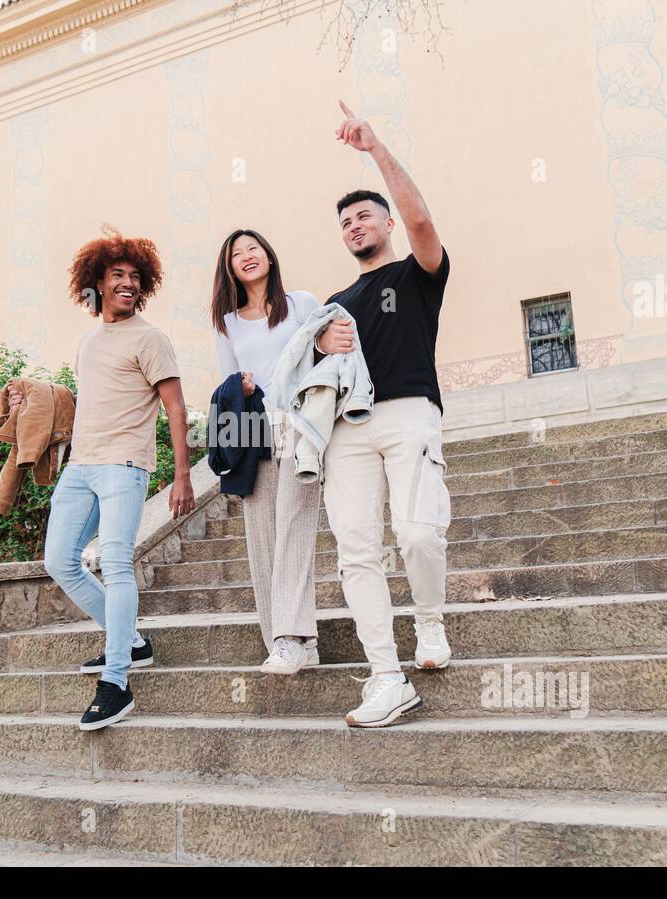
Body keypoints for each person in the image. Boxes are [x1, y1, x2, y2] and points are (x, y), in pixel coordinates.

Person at [316, 101, 453, 728]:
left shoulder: (417, 271)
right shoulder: (335, 302)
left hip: (409, 414)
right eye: (344, 222)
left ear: (387, 222)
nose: (353, 225)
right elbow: (306, 370)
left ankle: (429, 622)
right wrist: (322, 346)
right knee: (355, 552)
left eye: (363, 215)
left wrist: (375, 148)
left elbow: (423, 218)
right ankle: (385, 676)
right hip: (348, 428)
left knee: (419, 532)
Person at [28, 231, 196, 731]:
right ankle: (132, 641)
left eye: (135, 278)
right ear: (97, 282)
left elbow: (176, 407)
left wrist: (182, 475)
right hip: (80, 467)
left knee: (117, 561)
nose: (127, 284)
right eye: (117, 276)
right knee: (59, 560)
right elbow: (90, 403)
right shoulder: (87, 340)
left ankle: (117, 680)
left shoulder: (151, 339)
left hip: (125, 465)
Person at [211, 229, 322, 674]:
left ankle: (286, 638)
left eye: (253, 248)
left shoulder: (302, 304)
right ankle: (298, 639)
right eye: (237, 254)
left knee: (294, 527)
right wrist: (241, 387)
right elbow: (226, 381)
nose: (247, 256)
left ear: (269, 257)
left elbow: (325, 358)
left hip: (300, 424)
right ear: (231, 269)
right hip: (255, 427)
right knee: (263, 538)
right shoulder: (228, 323)